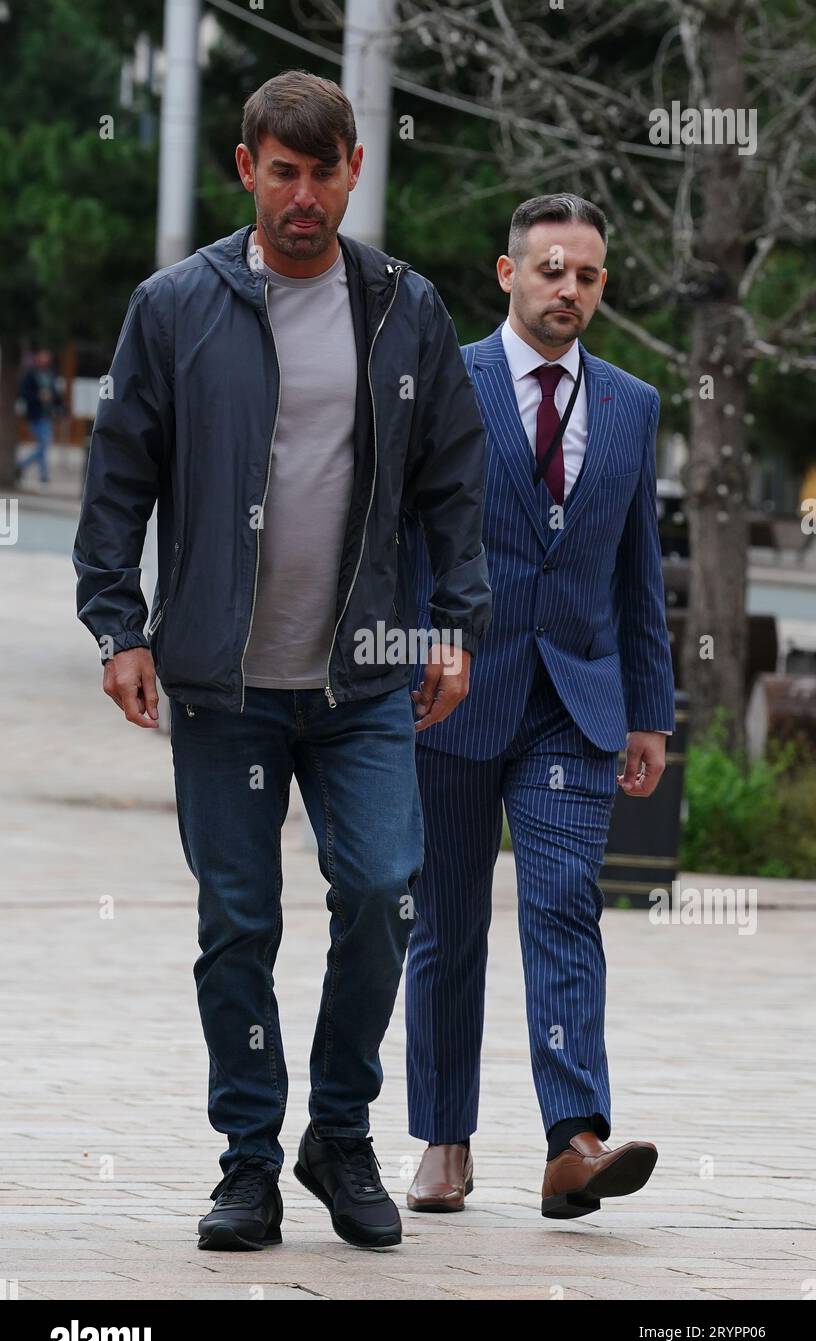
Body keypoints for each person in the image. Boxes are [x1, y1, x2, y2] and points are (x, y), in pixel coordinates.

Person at [73, 70, 490, 1252]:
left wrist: (454, 622)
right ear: (248, 170)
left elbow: (454, 485)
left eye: (326, 171)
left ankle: (340, 1132)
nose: (305, 196)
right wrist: (121, 628)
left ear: (356, 168)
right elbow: (119, 481)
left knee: (382, 891)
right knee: (238, 923)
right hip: (223, 681)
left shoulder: (405, 309)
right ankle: (249, 1162)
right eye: (283, 171)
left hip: (362, 678)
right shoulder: (176, 307)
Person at [404, 193, 675, 1220]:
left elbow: (636, 573)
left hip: (576, 701)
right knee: (449, 923)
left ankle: (574, 1137)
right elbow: (406, 538)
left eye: (589, 275)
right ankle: (444, 1138)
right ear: (507, 273)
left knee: (563, 901)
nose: (569, 287)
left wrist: (650, 709)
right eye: (551, 268)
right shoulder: (447, 381)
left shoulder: (635, 405)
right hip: (451, 696)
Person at [17, 348, 63, 485]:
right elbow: (24, 393)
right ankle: (24, 466)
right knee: (43, 445)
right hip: (35, 414)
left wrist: (57, 403)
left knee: (43, 445)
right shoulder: (31, 374)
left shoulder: (51, 374)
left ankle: (38, 473)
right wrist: (38, 396)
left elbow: (56, 395)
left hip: (47, 415)